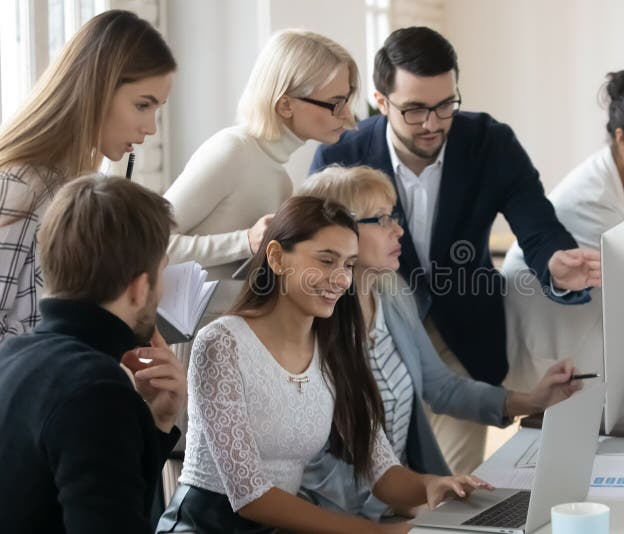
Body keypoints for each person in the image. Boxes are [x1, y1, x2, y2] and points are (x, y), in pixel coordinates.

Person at [310, 26, 600, 475]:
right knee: (376, 473)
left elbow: (537, 223)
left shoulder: (490, 143)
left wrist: (555, 263)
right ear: (381, 101)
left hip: (464, 339)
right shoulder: (342, 156)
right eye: (415, 109)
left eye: (446, 105)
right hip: (368, 333)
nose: (432, 122)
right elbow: (313, 249)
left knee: (448, 483)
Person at [158, 195, 490, 534]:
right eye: (326, 260)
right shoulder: (221, 343)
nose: (341, 279)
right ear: (276, 258)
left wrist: (431, 485)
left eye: (348, 264)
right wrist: (377, 532)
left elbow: (381, 469)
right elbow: (249, 495)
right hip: (204, 526)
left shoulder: (337, 347)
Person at [297, 165, 584, 519]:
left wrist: (531, 399)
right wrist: (414, 506)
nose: (398, 229)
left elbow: (442, 387)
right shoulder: (310, 330)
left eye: (394, 216)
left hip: (401, 504)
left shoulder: (393, 297)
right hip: (347, 518)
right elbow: (316, 470)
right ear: (340, 234)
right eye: (383, 219)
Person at [0, 176, 186, 533]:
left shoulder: (12, 354)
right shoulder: (98, 390)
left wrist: (157, 424)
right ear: (139, 287)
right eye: (163, 273)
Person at [501, 70, 624, 388]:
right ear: (622, 138)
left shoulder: (622, 182)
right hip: (538, 328)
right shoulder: (594, 197)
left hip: (565, 328)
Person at [0, 9, 175, 341]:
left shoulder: (73, 190)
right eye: (142, 105)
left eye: (157, 109)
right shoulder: (19, 188)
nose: (150, 128)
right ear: (98, 89)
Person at [164, 29, 359, 319]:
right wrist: (243, 241)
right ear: (285, 104)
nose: (348, 117)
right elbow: (150, 244)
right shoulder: (233, 150)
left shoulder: (281, 180)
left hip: (231, 335)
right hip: (188, 340)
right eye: (336, 103)